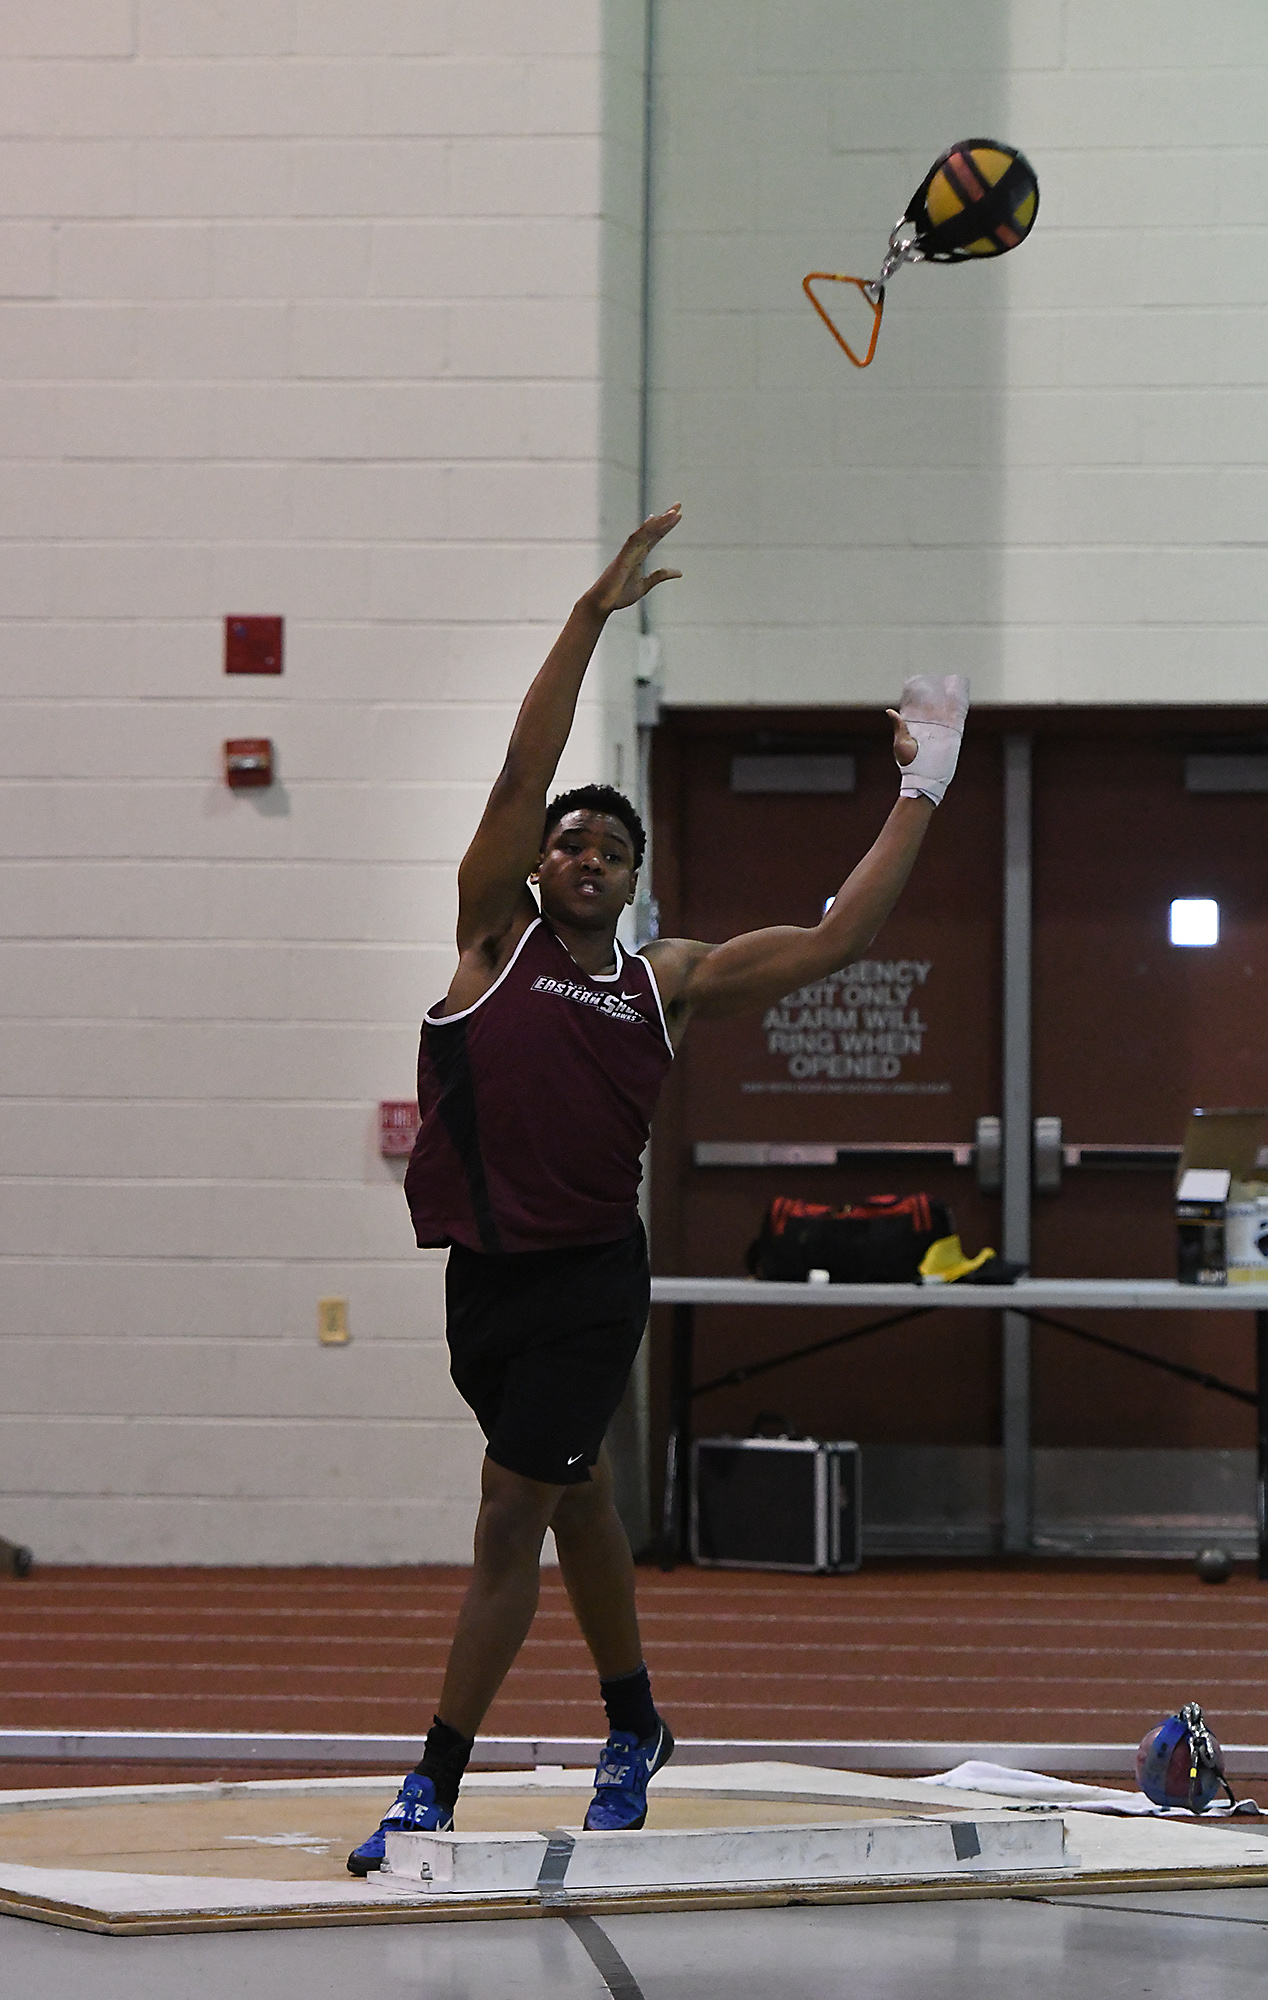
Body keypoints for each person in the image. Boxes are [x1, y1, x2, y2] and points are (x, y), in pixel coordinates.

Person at [347, 505, 968, 1873]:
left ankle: (432, 1781)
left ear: (631, 887)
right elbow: (525, 765)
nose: (582, 857)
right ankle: (636, 1723)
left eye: (609, 853)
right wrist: (590, 618)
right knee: (577, 1504)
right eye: (569, 841)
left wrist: (924, 786)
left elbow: (831, 939)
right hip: (485, 1286)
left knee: (514, 1515)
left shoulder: (660, 983)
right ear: (540, 862)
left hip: (588, 1281)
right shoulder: (490, 932)